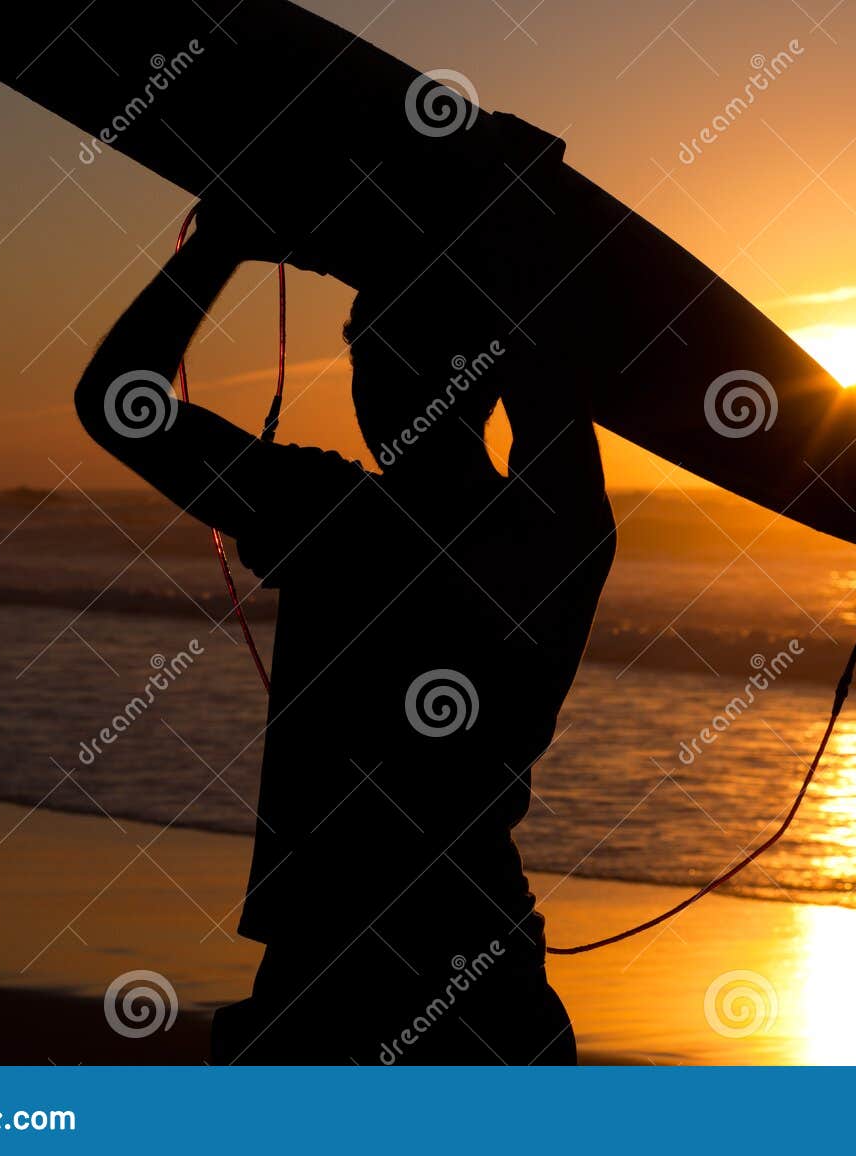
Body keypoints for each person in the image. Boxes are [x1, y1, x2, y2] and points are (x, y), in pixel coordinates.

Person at [73, 203, 615, 1064]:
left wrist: (223, 245)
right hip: (486, 968)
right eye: (367, 356)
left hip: (325, 981)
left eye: (378, 356)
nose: (371, 384)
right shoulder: (561, 537)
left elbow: (117, 402)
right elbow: (548, 390)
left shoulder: (331, 517)